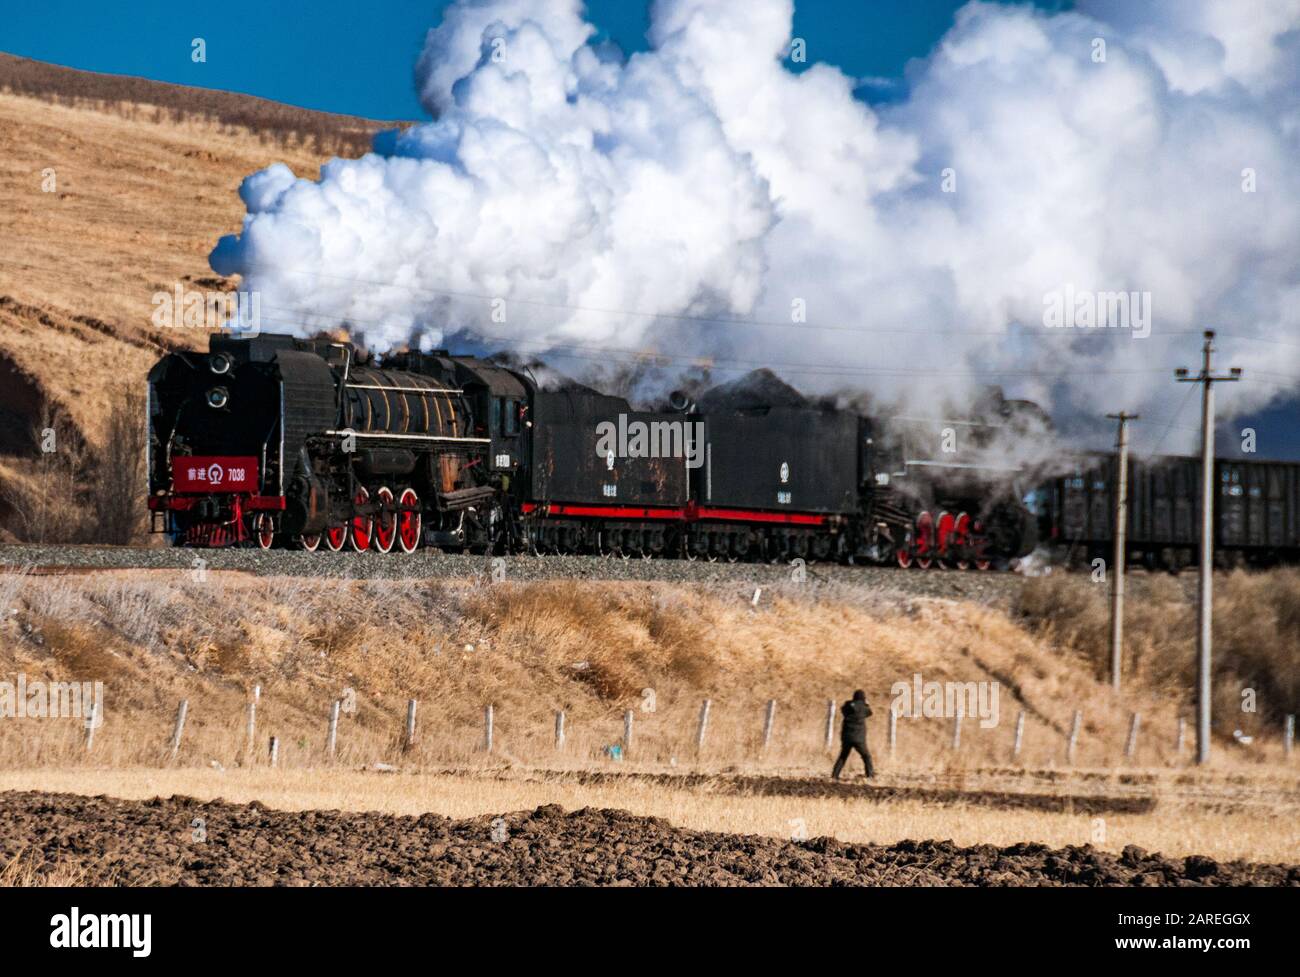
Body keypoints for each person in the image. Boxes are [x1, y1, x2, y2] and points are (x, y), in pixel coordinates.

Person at [832, 689, 875, 780]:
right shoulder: (864, 708)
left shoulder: (848, 706)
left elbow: (843, 710)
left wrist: (850, 702)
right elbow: (870, 713)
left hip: (846, 737)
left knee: (843, 756)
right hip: (859, 739)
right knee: (866, 756)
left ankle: (834, 775)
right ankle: (870, 776)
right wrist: (866, 704)